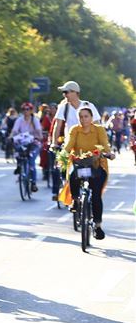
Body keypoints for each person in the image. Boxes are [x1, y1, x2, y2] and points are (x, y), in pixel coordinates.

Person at [63, 107, 113, 239]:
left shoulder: (99, 129)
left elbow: (104, 144)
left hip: (96, 164)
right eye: (81, 117)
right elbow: (69, 144)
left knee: (96, 196)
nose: (83, 119)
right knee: (72, 175)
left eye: (86, 116)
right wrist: (63, 154)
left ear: (91, 118)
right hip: (79, 163)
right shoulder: (75, 130)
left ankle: (97, 226)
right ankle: (75, 200)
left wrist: (108, 153)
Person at [50, 81, 101, 198]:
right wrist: (54, 143)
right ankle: (73, 197)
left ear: (75, 93)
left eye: (66, 92)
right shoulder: (64, 107)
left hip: (88, 144)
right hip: (70, 145)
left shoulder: (89, 106)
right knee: (64, 167)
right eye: (64, 93)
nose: (64, 95)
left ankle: (91, 195)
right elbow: (57, 126)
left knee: (95, 170)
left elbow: (98, 125)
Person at [9, 101, 42, 190]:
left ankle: (34, 183)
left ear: (31, 110)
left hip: (33, 142)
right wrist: (11, 137)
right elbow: (15, 130)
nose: (25, 111)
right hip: (22, 142)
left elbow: (38, 130)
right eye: (23, 109)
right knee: (17, 151)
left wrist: (39, 136)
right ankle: (19, 166)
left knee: (31, 161)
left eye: (28, 109)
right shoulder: (19, 120)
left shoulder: (35, 120)